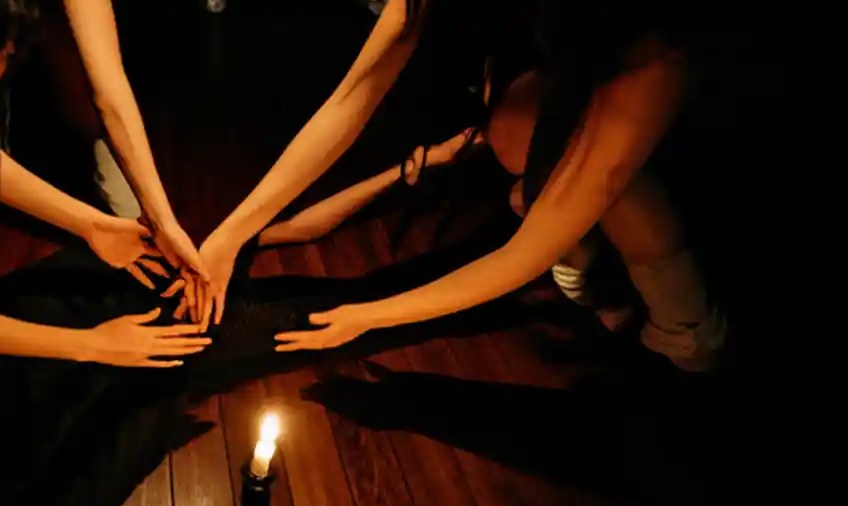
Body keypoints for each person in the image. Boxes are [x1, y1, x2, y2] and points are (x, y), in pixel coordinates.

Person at [195, 0, 726, 372]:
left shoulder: (655, 46)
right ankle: (580, 248)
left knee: (622, 198)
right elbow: (351, 98)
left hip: (686, 138)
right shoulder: (519, 78)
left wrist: (368, 317)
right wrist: (234, 233)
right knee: (516, 137)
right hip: (565, 85)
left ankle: (688, 336)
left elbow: (526, 252)